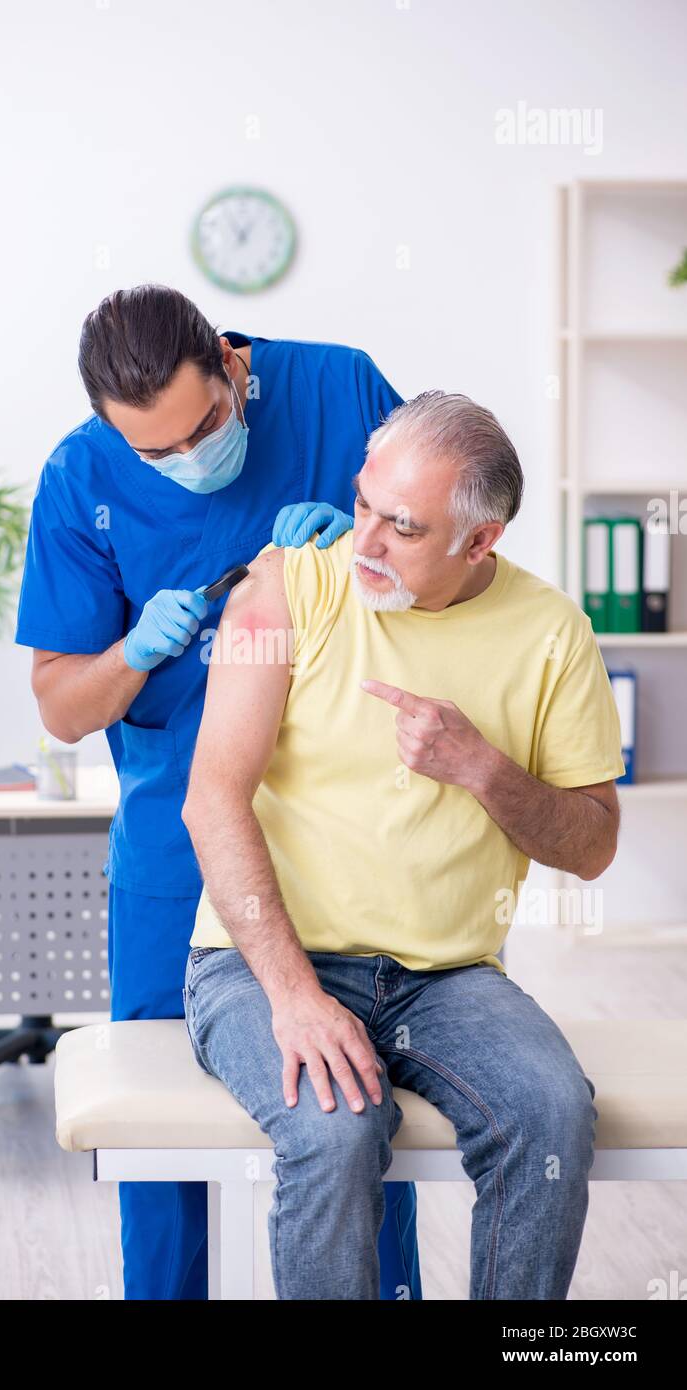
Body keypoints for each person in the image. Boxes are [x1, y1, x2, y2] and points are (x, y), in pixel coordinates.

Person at [14, 284, 421, 1300]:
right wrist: (131, 655)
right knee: (161, 1138)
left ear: (234, 366)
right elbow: (64, 706)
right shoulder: (79, 476)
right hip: (176, 850)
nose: (189, 461)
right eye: (154, 455)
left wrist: (374, 564)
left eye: (203, 426)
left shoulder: (343, 389)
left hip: (347, 832)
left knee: (359, 1112)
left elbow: (460, 575)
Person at [181, 390, 624, 1299]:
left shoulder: (553, 633)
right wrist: (296, 998)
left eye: (403, 528)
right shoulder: (285, 588)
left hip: (448, 977)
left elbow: (592, 847)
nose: (365, 544)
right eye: (363, 507)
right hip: (262, 962)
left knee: (549, 1116)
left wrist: (483, 770)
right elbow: (211, 802)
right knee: (336, 1131)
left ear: (479, 541)